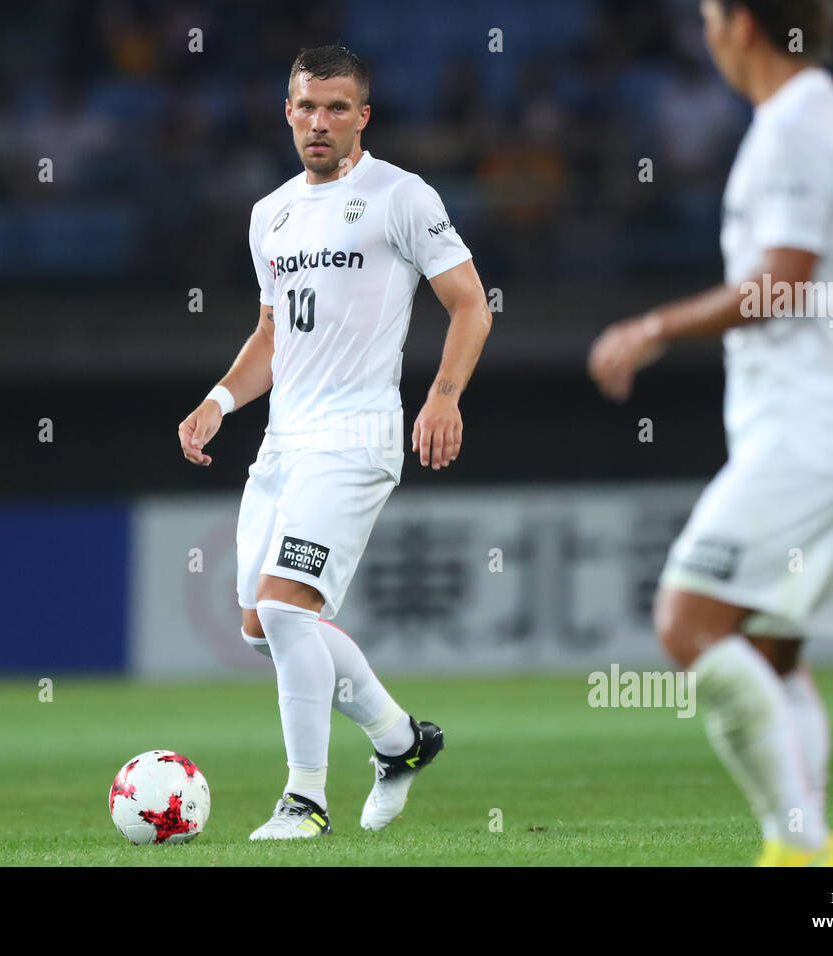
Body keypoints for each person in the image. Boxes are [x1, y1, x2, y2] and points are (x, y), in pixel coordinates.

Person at [588, 0, 833, 866]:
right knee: (773, 653)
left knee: (687, 622)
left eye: (712, 14)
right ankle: (799, 847)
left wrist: (653, 327)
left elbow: (783, 280)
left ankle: (801, 848)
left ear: (746, 25)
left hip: (806, 430)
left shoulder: (797, 126)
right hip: (827, 419)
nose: (705, 32)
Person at [177, 45, 493, 839]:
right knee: (262, 628)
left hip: (356, 437)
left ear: (363, 117)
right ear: (288, 112)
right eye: (308, 106)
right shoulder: (270, 215)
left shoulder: (401, 197)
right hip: (285, 441)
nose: (321, 122)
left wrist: (444, 395)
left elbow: (470, 304)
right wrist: (219, 399)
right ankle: (400, 742)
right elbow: (272, 334)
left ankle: (305, 801)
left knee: (287, 613)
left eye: (338, 108)